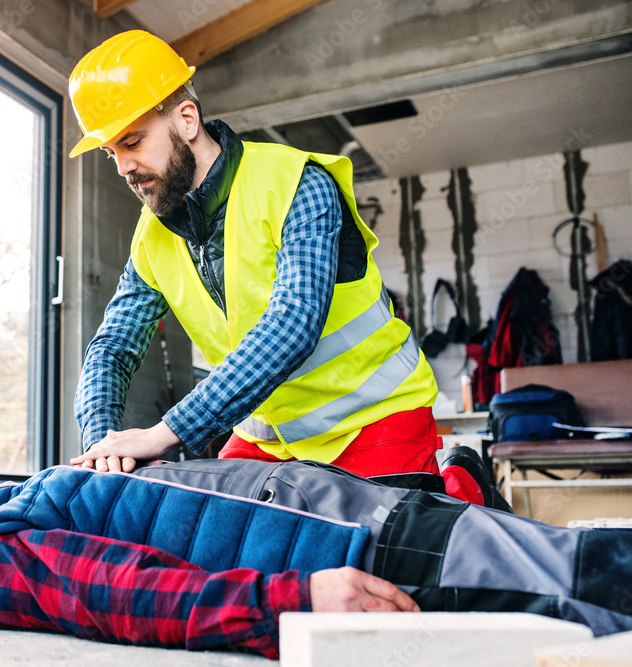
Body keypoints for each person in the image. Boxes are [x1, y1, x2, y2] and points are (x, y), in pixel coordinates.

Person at [65, 30, 484, 505]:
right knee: (222, 545)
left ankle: (467, 488)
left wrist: (166, 432)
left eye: (133, 141)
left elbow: (293, 323)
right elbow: (114, 346)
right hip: (269, 439)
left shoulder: (296, 183)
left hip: (373, 419)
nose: (122, 167)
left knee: (392, 561)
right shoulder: (152, 235)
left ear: (186, 119)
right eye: (110, 152)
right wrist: (103, 446)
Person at [0, 459, 632, 659]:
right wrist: (299, 601)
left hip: (363, 522)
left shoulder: (24, 510)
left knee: (584, 567)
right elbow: (133, 596)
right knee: (586, 584)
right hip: (364, 552)